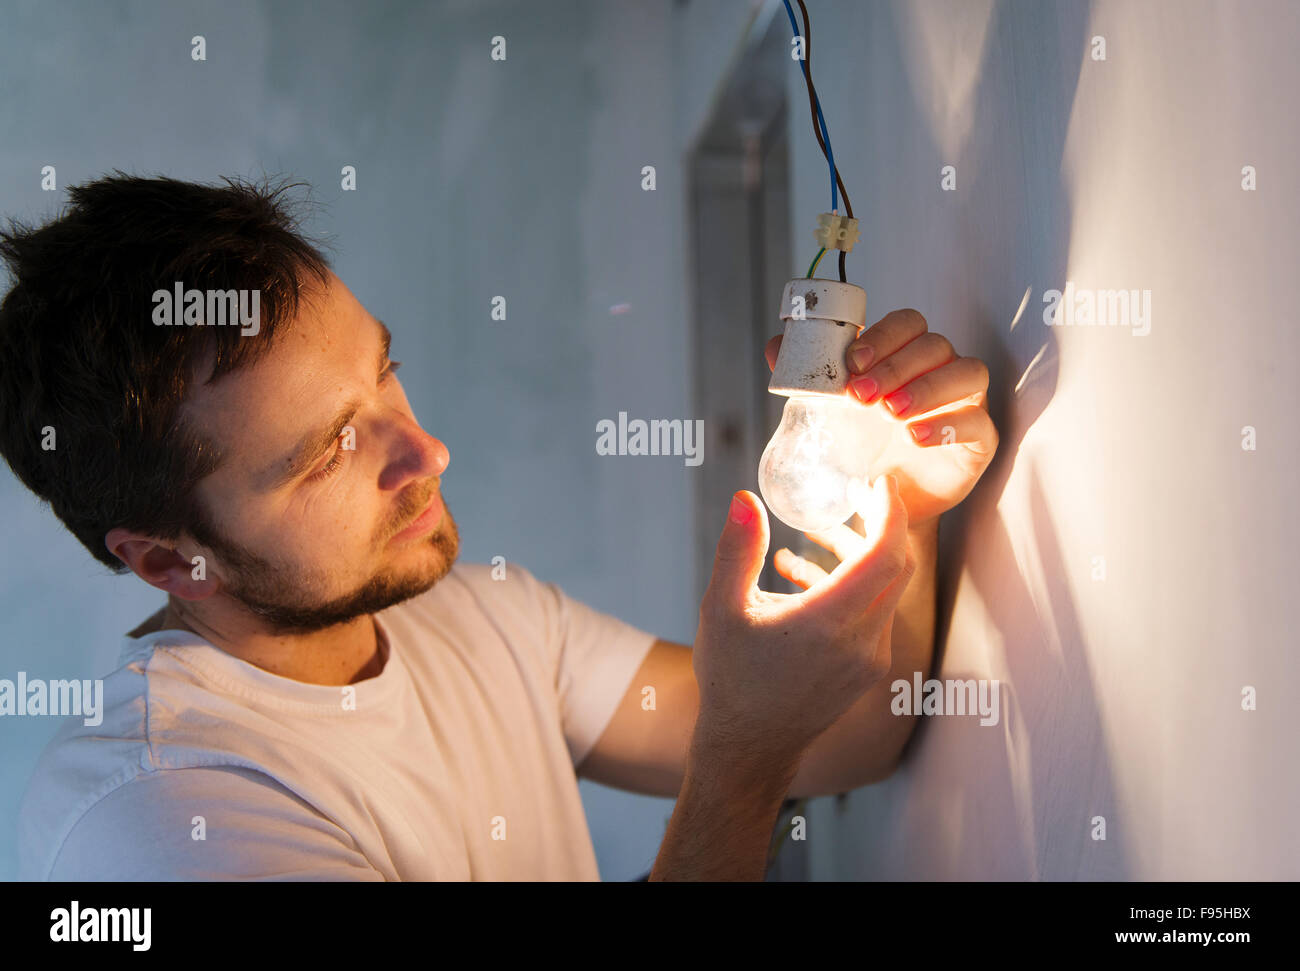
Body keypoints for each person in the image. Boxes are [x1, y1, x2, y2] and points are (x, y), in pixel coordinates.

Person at [1, 175, 997, 881]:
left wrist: (895, 489)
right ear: (173, 556)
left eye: (382, 372)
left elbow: (848, 735)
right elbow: (758, 741)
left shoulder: (480, 621)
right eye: (331, 447)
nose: (424, 451)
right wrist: (740, 754)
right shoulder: (158, 823)